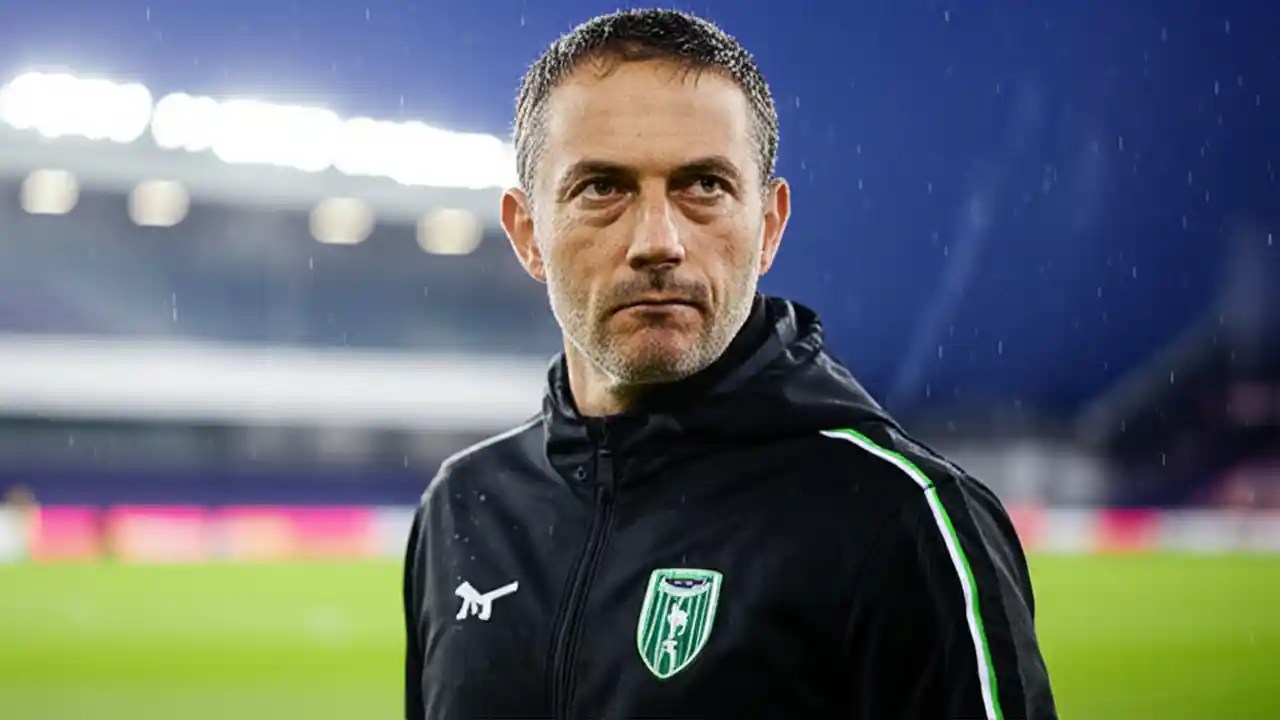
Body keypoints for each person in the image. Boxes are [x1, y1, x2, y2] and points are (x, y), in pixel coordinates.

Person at [403, 8, 1056, 719]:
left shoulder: (900, 520)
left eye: (703, 186)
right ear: (527, 234)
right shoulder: (463, 509)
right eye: (603, 188)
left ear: (769, 226)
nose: (658, 241)